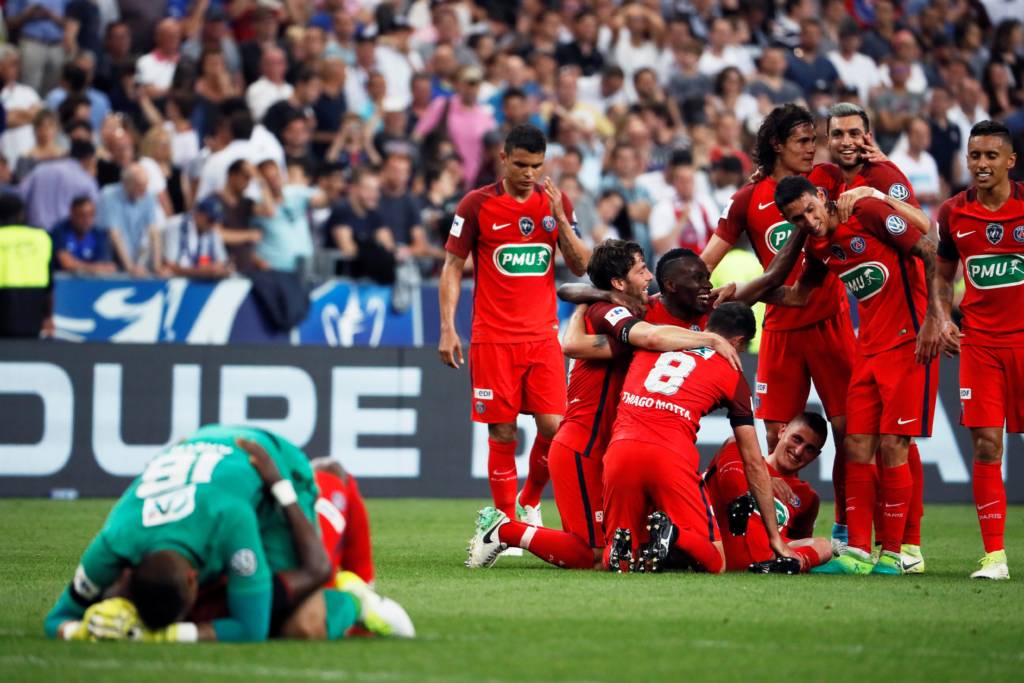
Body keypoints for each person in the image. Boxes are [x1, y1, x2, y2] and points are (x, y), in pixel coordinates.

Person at [464, 242, 744, 569]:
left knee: (629, 551)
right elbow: (575, 331)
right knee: (597, 555)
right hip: (585, 444)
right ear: (619, 283)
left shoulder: (675, 310)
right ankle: (505, 530)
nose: (648, 276)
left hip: (621, 449)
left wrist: (735, 291)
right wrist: (709, 339)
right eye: (641, 270)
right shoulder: (625, 315)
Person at [731, 175, 944, 575]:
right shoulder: (818, 245)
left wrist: (936, 317)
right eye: (798, 219)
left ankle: (895, 555)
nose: (809, 221)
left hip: (907, 342)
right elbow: (797, 296)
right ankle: (859, 554)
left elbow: (930, 250)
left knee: (893, 446)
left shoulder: (866, 211)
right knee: (857, 446)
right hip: (870, 349)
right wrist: (742, 292)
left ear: (821, 197)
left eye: (810, 210)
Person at [44, 425, 412, 642]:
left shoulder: (230, 519)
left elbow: (252, 626)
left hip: (271, 468)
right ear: (128, 569)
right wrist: (80, 629)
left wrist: (168, 634)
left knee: (301, 624)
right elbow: (55, 620)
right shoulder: (114, 540)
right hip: (204, 458)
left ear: (193, 579)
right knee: (217, 607)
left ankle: (356, 602)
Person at [438, 124, 589, 526]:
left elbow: (581, 265)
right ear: (503, 159)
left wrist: (559, 216)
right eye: (520, 164)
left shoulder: (556, 203)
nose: (528, 173)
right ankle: (506, 525)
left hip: (542, 336)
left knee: (556, 429)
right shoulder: (475, 205)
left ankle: (530, 500)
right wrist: (447, 328)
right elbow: (452, 267)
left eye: (536, 166)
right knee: (502, 432)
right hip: (493, 338)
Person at [602, 302, 795, 573]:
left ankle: (625, 549)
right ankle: (673, 533)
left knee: (620, 553)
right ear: (739, 341)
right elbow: (752, 461)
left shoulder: (655, 340)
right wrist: (776, 539)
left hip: (619, 449)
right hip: (669, 456)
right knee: (715, 561)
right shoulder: (732, 374)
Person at [933, 121, 1023, 580]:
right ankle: (995, 557)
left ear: (1010, 161)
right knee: (988, 445)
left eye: (991, 156)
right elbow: (942, 274)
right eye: (974, 156)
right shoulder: (953, 213)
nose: (981, 164)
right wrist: (944, 317)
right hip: (981, 345)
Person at [703, 412, 833, 573]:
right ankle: (742, 501)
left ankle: (786, 566)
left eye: (810, 449)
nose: (799, 451)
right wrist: (762, 479)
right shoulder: (738, 456)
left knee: (824, 545)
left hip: (765, 555)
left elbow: (797, 541)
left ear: (816, 456)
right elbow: (716, 483)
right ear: (782, 431)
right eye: (797, 439)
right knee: (736, 441)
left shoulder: (808, 497)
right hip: (724, 541)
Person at [0, 192, 53, 338]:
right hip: (34, 304)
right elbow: (50, 285)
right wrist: (48, 316)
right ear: (21, 214)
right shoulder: (41, 237)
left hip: (3, 303)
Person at [162, 195, 231, 279]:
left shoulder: (212, 230)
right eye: (211, 219)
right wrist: (200, 272)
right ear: (198, 214)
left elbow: (222, 261)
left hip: (201, 285)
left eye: (216, 220)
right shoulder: (175, 225)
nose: (213, 224)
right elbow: (169, 265)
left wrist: (224, 269)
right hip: (175, 282)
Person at [52, 195, 116, 274]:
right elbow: (67, 264)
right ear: (72, 213)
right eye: (82, 215)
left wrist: (79, 266)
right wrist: (95, 268)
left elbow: (109, 267)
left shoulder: (99, 234)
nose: (87, 220)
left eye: (91, 215)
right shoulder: (60, 230)